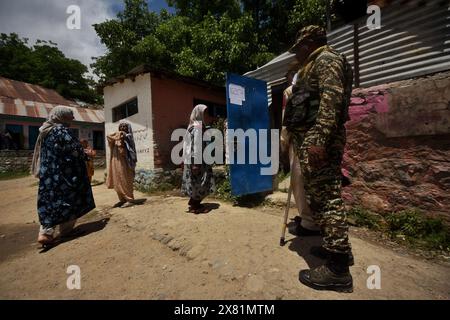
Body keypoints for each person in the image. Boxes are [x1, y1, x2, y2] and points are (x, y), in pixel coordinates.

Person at [285, 25, 354, 292]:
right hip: (313, 140)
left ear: (310, 42)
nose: (298, 54)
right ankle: (335, 248)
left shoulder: (326, 59)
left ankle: (338, 270)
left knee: (326, 198)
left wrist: (319, 140)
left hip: (318, 141)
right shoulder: (314, 63)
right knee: (319, 197)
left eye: (300, 48)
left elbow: (331, 101)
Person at [31, 106, 95, 245]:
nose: (72, 119)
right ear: (62, 117)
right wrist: (86, 154)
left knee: (50, 199)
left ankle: (45, 232)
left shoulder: (45, 131)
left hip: (49, 174)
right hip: (64, 173)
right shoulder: (61, 130)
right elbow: (74, 150)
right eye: (69, 116)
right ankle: (66, 231)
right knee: (70, 198)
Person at [181, 104, 214, 214]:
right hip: (197, 161)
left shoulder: (193, 126)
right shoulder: (197, 128)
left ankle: (193, 202)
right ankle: (195, 206)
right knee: (202, 182)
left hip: (193, 160)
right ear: (199, 114)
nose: (207, 115)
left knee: (195, 183)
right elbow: (196, 146)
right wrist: (196, 163)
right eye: (205, 113)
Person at [106, 120, 138, 207]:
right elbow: (108, 136)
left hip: (125, 163)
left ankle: (129, 199)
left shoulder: (128, 137)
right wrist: (117, 135)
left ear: (128, 128)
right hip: (115, 162)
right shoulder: (117, 136)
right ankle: (122, 199)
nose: (123, 128)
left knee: (125, 180)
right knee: (117, 180)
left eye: (125, 126)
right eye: (121, 126)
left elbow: (127, 147)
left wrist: (121, 137)